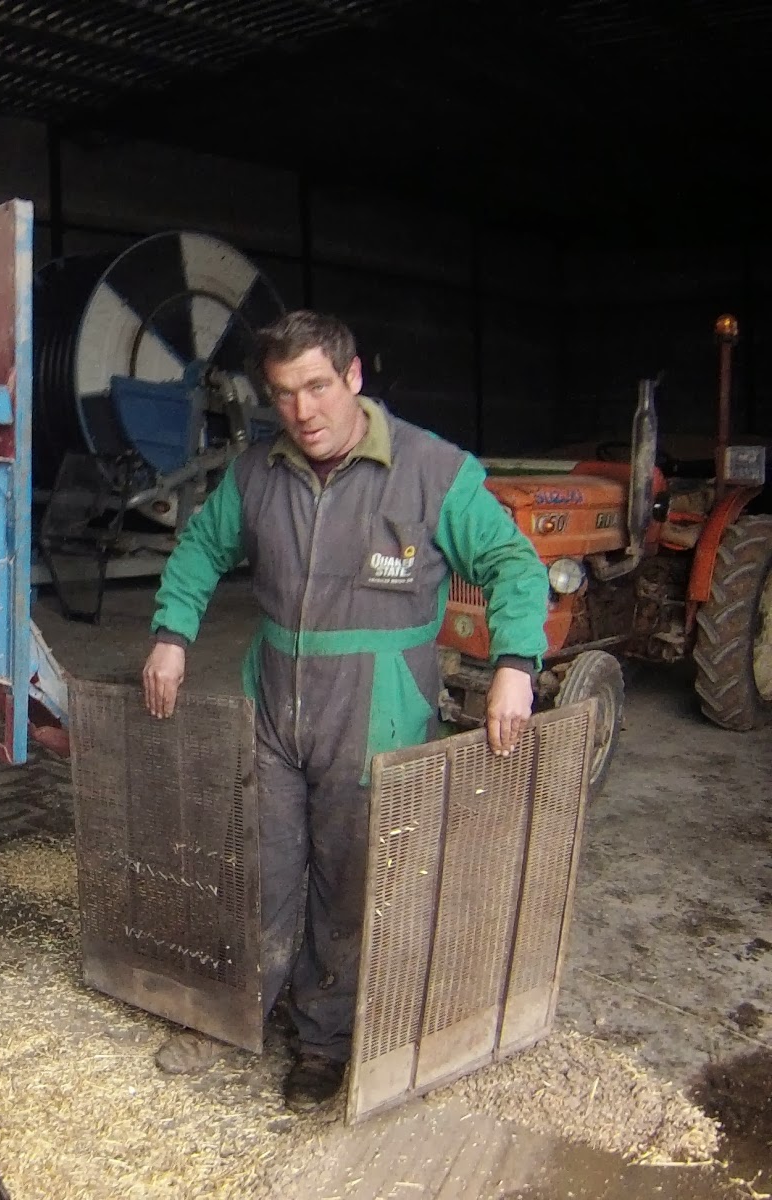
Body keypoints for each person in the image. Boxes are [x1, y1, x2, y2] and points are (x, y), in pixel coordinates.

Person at [141, 311, 548, 1111]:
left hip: (377, 715)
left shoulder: (432, 469)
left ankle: (323, 1041)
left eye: (318, 387)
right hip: (274, 704)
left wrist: (515, 665)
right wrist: (171, 634)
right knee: (257, 866)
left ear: (353, 377)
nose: (303, 411)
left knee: (349, 883)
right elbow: (200, 549)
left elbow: (513, 563)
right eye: (284, 394)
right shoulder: (257, 473)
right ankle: (235, 1013)